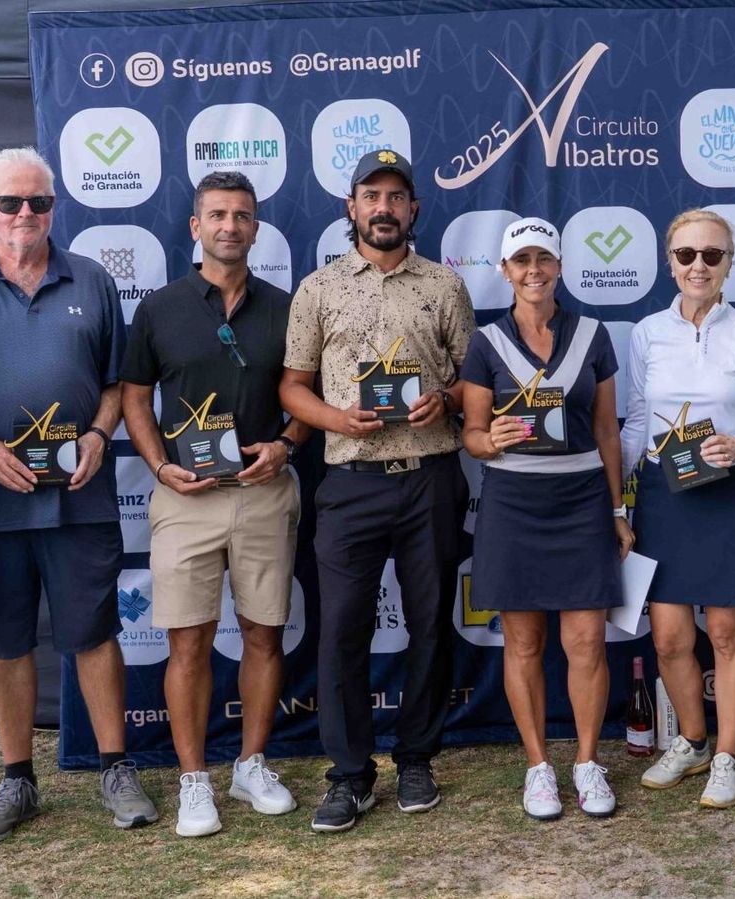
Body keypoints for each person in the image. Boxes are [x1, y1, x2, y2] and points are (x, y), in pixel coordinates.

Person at [0, 147, 157, 843]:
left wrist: (99, 434)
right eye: (11, 201)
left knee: (95, 633)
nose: (26, 213)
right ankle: (17, 780)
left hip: (81, 495)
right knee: (8, 640)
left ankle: (115, 768)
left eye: (40, 202)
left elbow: (115, 381)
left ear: (54, 206)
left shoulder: (93, 278)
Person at [279, 150, 474, 832]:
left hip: (430, 477)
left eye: (395, 196)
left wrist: (445, 400)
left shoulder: (445, 285)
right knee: (341, 631)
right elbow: (292, 386)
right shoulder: (318, 288)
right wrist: (336, 418)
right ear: (352, 207)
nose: (383, 208)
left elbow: (472, 382)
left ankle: (417, 758)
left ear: (413, 208)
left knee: (430, 623)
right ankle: (349, 774)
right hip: (350, 482)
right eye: (371, 196)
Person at [119, 171, 308, 837]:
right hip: (186, 498)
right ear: (196, 227)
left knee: (263, 633)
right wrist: (159, 466)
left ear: (256, 228)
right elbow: (134, 397)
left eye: (243, 215)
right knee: (188, 641)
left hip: (263, 492)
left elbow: (306, 392)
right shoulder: (159, 308)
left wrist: (286, 444)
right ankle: (194, 779)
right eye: (219, 215)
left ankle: (251, 764)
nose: (231, 226)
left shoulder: (286, 307)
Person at [461, 217, 632, 821]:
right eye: (521, 260)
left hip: (582, 500)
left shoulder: (593, 335)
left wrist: (617, 509)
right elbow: (472, 434)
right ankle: (538, 767)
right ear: (505, 271)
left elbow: (607, 431)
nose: (533, 270)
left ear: (559, 266)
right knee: (524, 642)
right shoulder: (486, 343)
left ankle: (586, 762)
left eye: (544, 259)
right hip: (513, 503)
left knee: (586, 641)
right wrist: (491, 439)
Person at [621, 209, 735, 809]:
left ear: (730, 263)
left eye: (712, 255)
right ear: (669, 262)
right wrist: (614, 500)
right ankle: (693, 741)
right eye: (687, 254)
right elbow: (635, 423)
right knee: (669, 638)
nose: (699, 266)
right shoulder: (646, 333)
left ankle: (727, 754)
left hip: (729, 493)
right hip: (664, 496)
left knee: (724, 632)